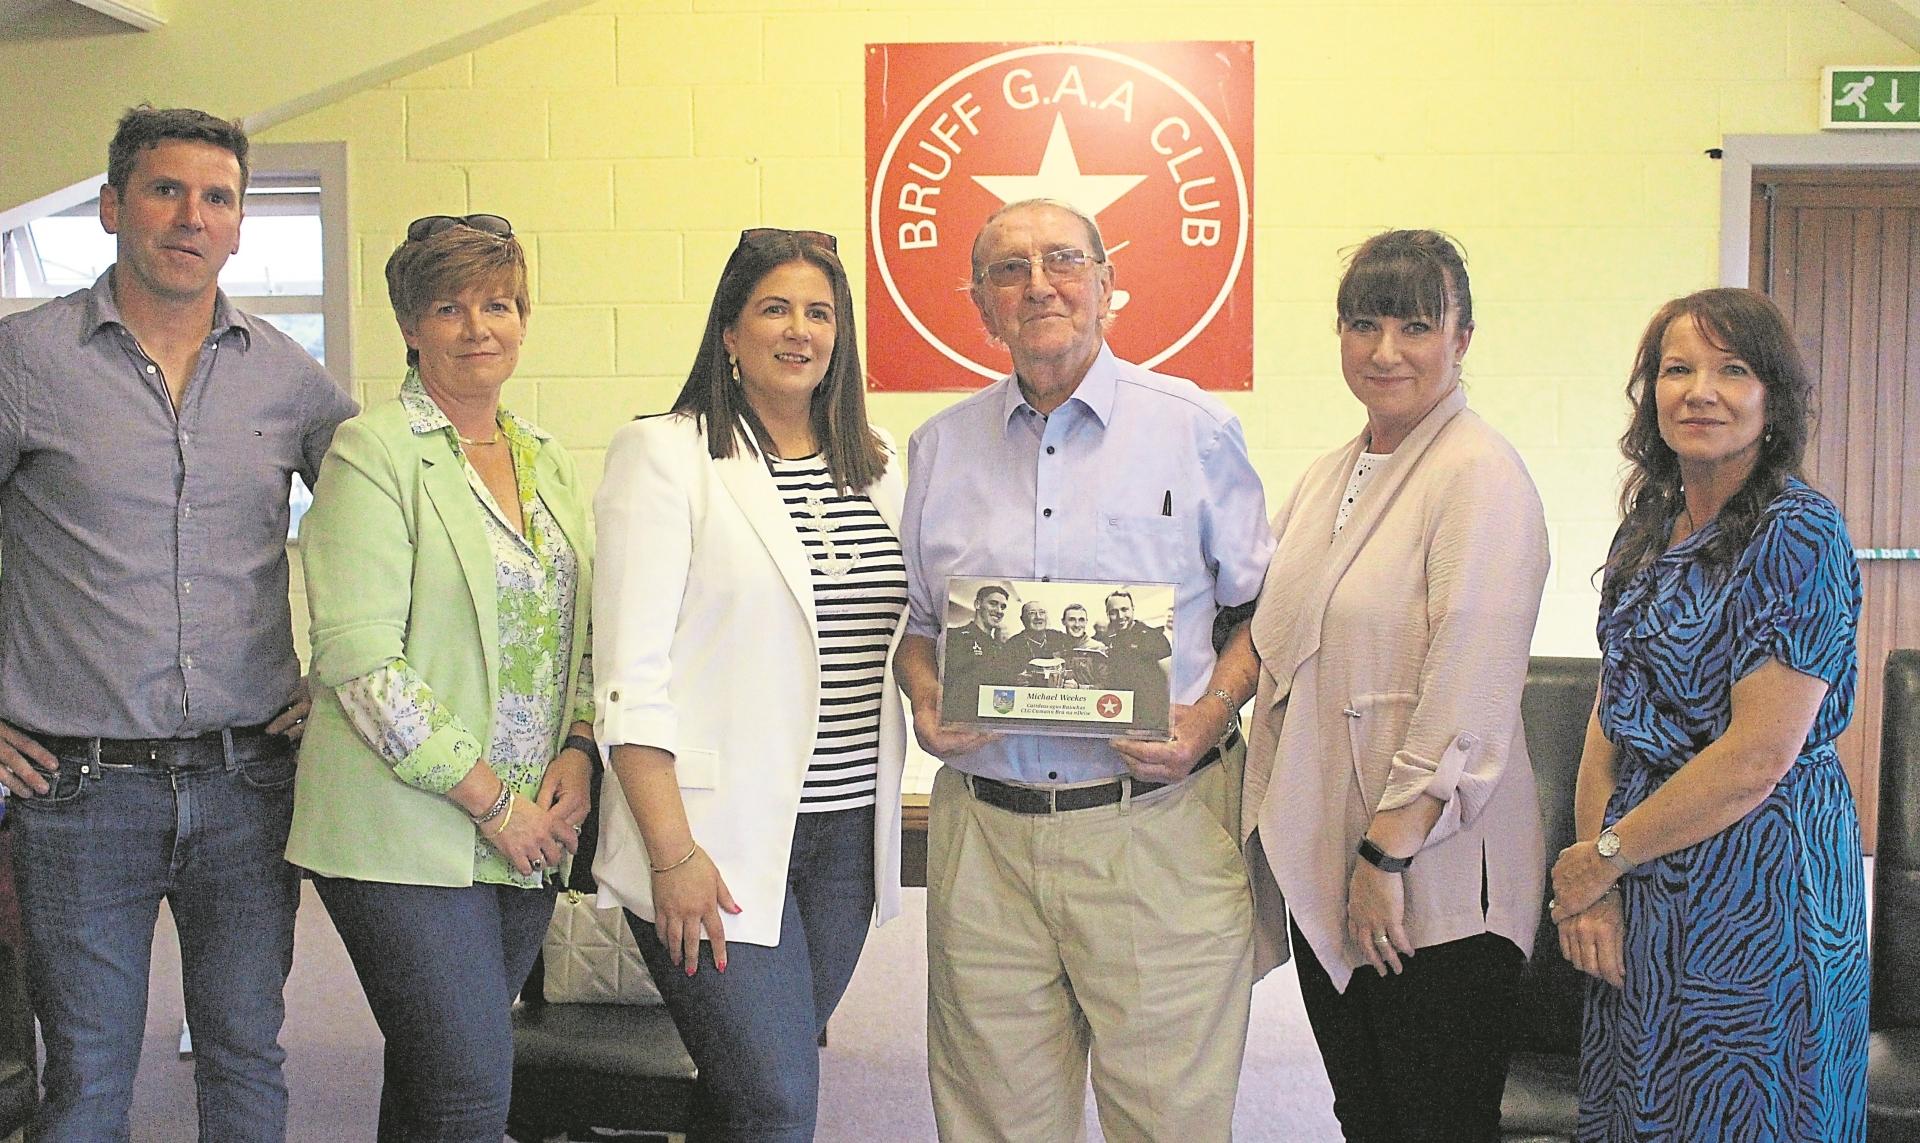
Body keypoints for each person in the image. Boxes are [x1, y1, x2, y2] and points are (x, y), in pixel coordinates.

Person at [0, 105, 356, 1141]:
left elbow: (397, 525)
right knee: (88, 1077)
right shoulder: (24, 362)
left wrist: (340, 680)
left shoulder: (289, 378)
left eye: (217, 198)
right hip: (77, 789)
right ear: (113, 207)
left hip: (249, 785)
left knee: (245, 1056)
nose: (191, 216)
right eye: (165, 190)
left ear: (239, 225)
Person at [895, 197, 1272, 1142]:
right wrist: (925, 695)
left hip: (1157, 831)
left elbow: (1268, 612)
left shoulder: (1194, 429)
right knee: (993, 1124)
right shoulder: (940, 447)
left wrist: (1210, 713)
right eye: (1009, 269)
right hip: (986, 842)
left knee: (1170, 1123)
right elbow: (919, 624)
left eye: (1063, 260)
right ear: (980, 303)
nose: (1039, 285)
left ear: (1107, 284)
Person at [592, 227, 910, 1142]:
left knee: (750, 1088)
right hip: (714, 842)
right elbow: (629, 675)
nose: (799, 330)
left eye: (820, 312)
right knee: (776, 1101)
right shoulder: (665, 454)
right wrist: (672, 853)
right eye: (775, 308)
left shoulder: (880, 463)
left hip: (844, 839)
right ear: (729, 332)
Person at [286, 214, 595, 1141]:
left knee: (434, 1076)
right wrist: (494, 802)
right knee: (468, 1086)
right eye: (449, 307)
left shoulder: (545, 457)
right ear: (410, 326)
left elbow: (581, 628)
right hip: (408, 827)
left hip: (531, 829)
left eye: (498, 304)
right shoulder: (373, 450)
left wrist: (580, 748)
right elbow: (358, 661)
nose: (477, 328)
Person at [1243, 229, 1549, 1141]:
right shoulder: (1331, 473)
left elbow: (1468, 688)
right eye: (1363, 324)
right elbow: (1266, 627)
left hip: (1428, 877)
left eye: (1416, 326)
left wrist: (1387, 858)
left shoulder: (1479, 474)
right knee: (1369, 1116)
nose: (1385, 351)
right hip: (1337, 858)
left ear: (1462, 339)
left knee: (1434, 1121)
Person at [1550, 288, 1867, 1141]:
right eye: (1677, 369)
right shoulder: (1646, 527)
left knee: (1750, 1111)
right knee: (1640, 1104)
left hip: (1761, 885)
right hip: (1639, 875)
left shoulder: (1801, 534)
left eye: (1732, 370)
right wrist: (1595, 884)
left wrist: (1605, 856)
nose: (1700, 391)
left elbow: (1757, 757)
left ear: (1773, 398)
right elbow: (1611, 719)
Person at [943, 582, 1011, 715]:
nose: (999, 611)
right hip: (962, 715)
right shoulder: (955, 636)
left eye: (1003, 607)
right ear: (977, 604)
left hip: (991, 715)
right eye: (993, 603)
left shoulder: (998, 645)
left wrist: (1003, 647)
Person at [1059, 603, 1111, 688]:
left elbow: (1106, 685)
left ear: (1086, 622)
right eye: (1072, 620)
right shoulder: (1058, 648)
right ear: (1063, 622)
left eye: (1081, 620)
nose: (1077, 625)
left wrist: (1079, 687)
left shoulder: (1097, 649)